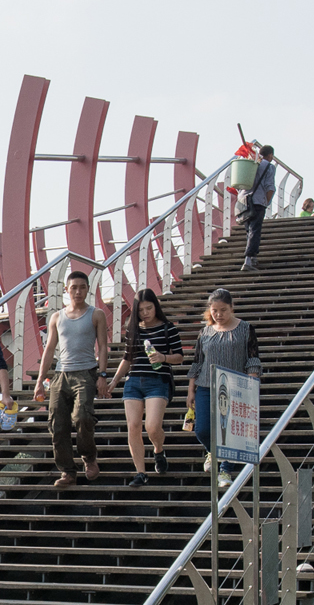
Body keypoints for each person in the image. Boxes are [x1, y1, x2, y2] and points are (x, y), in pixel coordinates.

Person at [108, 287, 183, 485]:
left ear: (155, 306)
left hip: (158, 380)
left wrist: (163, 357)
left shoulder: (168, 328)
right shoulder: (133, 329)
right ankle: (140, 472)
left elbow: (179, 356)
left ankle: (158, 450)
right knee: (133, 426)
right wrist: (114, 380)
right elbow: (127, 357)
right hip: (133, 380)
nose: (145, 313)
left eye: (149, 308)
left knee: (152, 426)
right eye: (141, 310)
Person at [187, 288, 261, 474]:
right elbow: (197, 362)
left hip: (234, 386)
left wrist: (251, 385)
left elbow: (252, 359)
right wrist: (191, 390)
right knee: (202, 429)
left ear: (231, 308)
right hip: (206, 385)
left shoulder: (245, 329)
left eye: (223, 310)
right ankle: (212, 452)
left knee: (228, 429)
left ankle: (225, 469)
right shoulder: (205, 332)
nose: (219, 315)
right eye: (215, 311)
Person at [41, 270, 103, 489]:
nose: (78, 291)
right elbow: (50, 349)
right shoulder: (57, 317)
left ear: (88, 289)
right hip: (61, 374)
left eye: (82, 287)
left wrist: (103, 375)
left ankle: (89, 457)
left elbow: (104, 346)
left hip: (86, 372)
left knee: (83, 416)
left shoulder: (96, 314)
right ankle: (68, 471)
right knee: (57, 424)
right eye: (74, 287)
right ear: (66, 290)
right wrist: (40, 381)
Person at [241, 145, 279, 271]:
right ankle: (248, 260)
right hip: (258, 201)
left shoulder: (251, 162)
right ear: (270, 155)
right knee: (255, 230)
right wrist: (266, 202)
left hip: (244, 200)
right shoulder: (269, 166)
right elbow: (270, 186)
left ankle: (252, 258)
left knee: (249, 230)